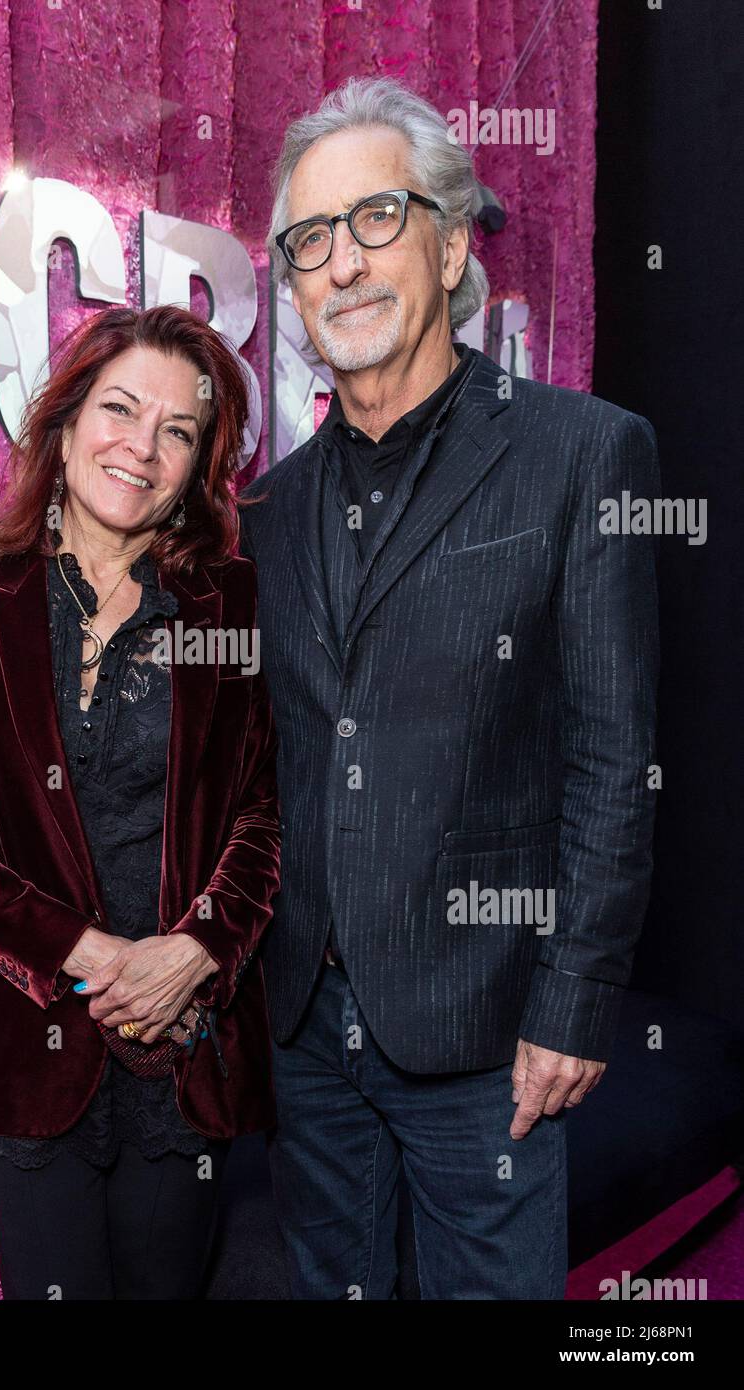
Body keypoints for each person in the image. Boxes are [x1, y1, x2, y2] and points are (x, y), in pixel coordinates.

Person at [238, 75, 659, 1299]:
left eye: (374, 218)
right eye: (308, 240)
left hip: (486, 1031)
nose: (341, 264)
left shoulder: (583, 453)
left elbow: (611, 755)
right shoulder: (267, 505)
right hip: (308, 1028)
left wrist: (575, 1001)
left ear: (450, 237)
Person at [0, 304, 280, 1300]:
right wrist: (89, 955)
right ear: (62, 424)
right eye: (118, 408)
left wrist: (194, 952)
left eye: (178, 430)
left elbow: (259, 813)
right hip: (30, 1059)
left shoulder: (228, 603)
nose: (140, 448)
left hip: (184, 1054)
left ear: (201, 464)